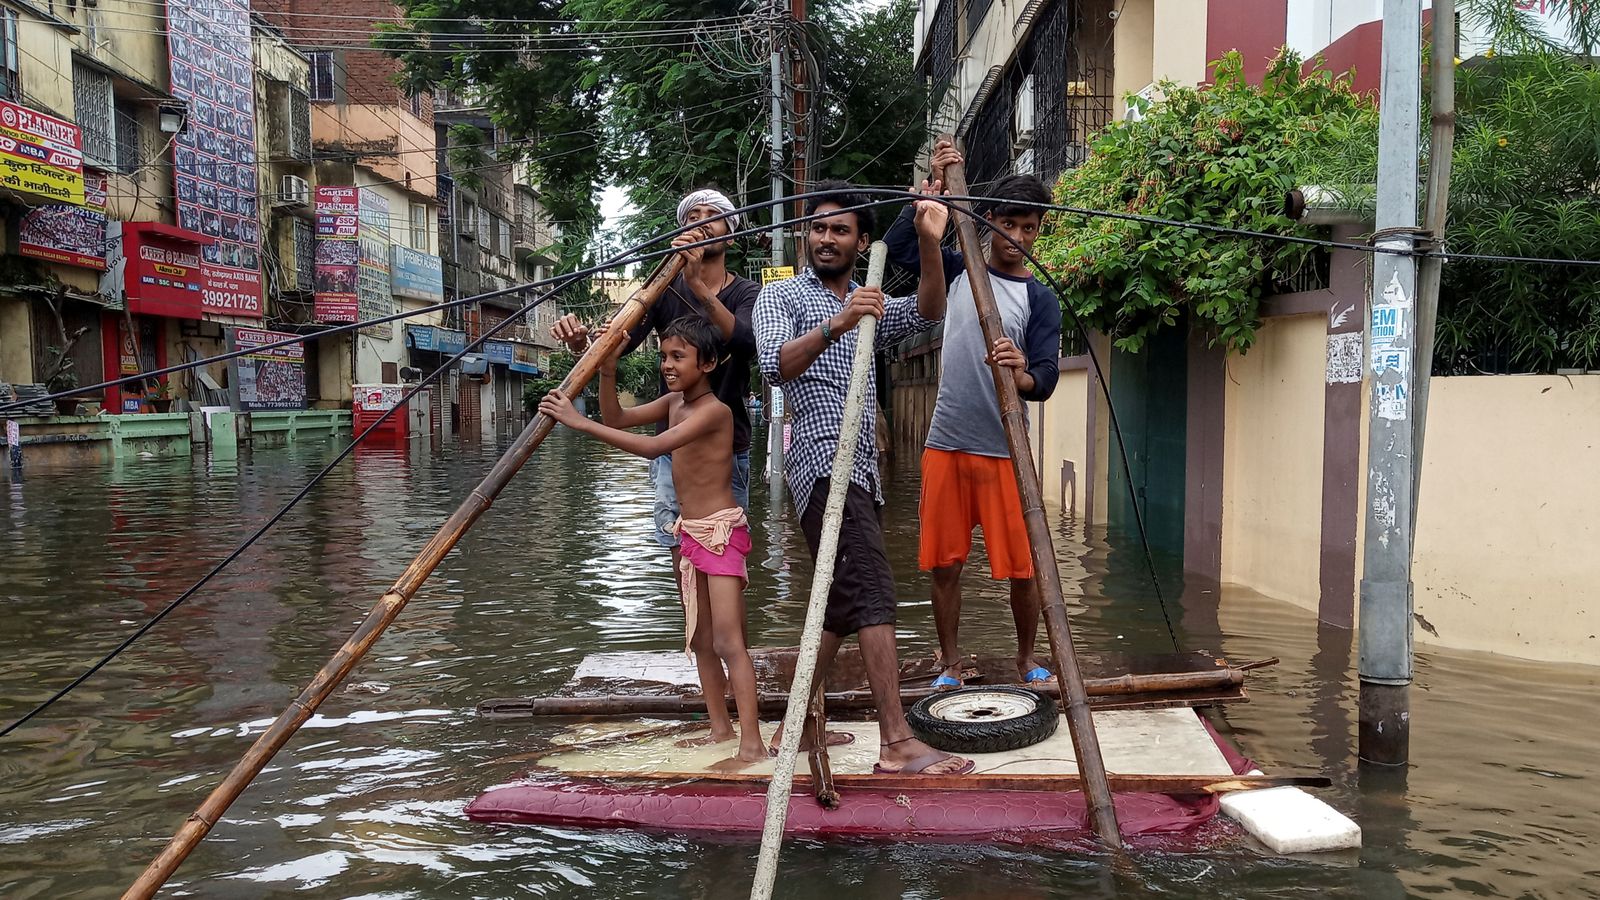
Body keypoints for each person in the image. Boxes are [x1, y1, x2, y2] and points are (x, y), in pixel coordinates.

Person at [754, 179, 973, 776]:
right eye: (819, 228)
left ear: (862, 241)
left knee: (840, 605)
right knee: (873, 592)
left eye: (840, 230)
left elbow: (928, 309)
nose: (826, 238)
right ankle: (896, 741)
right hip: (823, 465)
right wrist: (838, 323)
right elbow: (773, 365)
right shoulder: (784, 297)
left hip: (863, 471)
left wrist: (929, 240)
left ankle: (794, 727)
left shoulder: (869, 299)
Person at [540, 317, 766, 767]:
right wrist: (608, 369)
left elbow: (651, 447)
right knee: (700, 640)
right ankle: (720, 729)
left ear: (708, 363)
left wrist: (578, 423)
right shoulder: (674, 402)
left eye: (678, 356)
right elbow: (617, 417)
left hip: (721, 535)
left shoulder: (715, 412)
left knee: (729, 642)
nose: (667, 365)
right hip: (691, 535)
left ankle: (753, 745)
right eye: (663, 356)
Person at [883, 139, 1063, 689]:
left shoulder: (1040, 299)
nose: (1018, 238)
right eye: (1009, 224)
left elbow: (1045, 379)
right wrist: (928, 202)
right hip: (947, 443)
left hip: (1007, 450)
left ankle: (1027, 659)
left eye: (1029, 227)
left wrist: (1019, 370)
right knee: (946, 564)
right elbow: (901, 249)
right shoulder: (958, 269)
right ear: (988, 222)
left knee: (1024, 567)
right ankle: (950, 664)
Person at [551, 188, 760, 557]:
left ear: (731, 233)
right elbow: (620, 344)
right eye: (693, 217)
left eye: (713, 216)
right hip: (672, 451)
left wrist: (696, 284)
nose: (702, 223)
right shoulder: (661, 290)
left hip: (727, 449)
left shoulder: (747, 292)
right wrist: (582, 343)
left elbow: (746, 343)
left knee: (723, 550)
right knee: (680, 553)